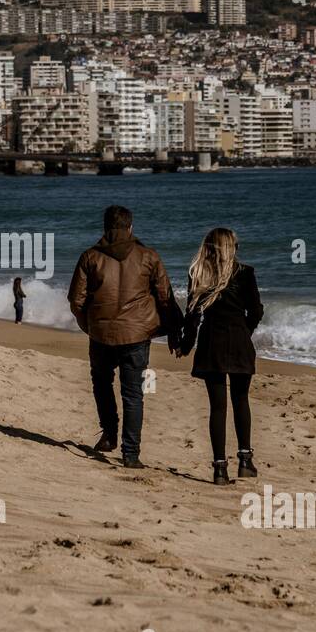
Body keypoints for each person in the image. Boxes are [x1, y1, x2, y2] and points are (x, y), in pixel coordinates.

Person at [67, 205, 179, 470]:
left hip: (101, 335)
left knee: (102, 383)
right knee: (133, 395)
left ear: (105, 228)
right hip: (137, 336)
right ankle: (131, 454)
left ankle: (108, 434)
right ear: (130, 227)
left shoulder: (90, 257)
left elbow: (76, 301)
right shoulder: (148, 256)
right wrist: (176, 331)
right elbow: (166, 298)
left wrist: (90, 326)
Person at [175, 228, 264, 486]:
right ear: (230, 248)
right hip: (239, 342)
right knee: (240, 400)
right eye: (235, 245)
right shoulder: (245, 273)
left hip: (211, 342)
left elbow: (192, 317)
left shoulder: (199, 273)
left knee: (217, 407)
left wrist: (185, 345)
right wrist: (244, 330)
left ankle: (220, 469)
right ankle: (245, 461)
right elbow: (256, 311)